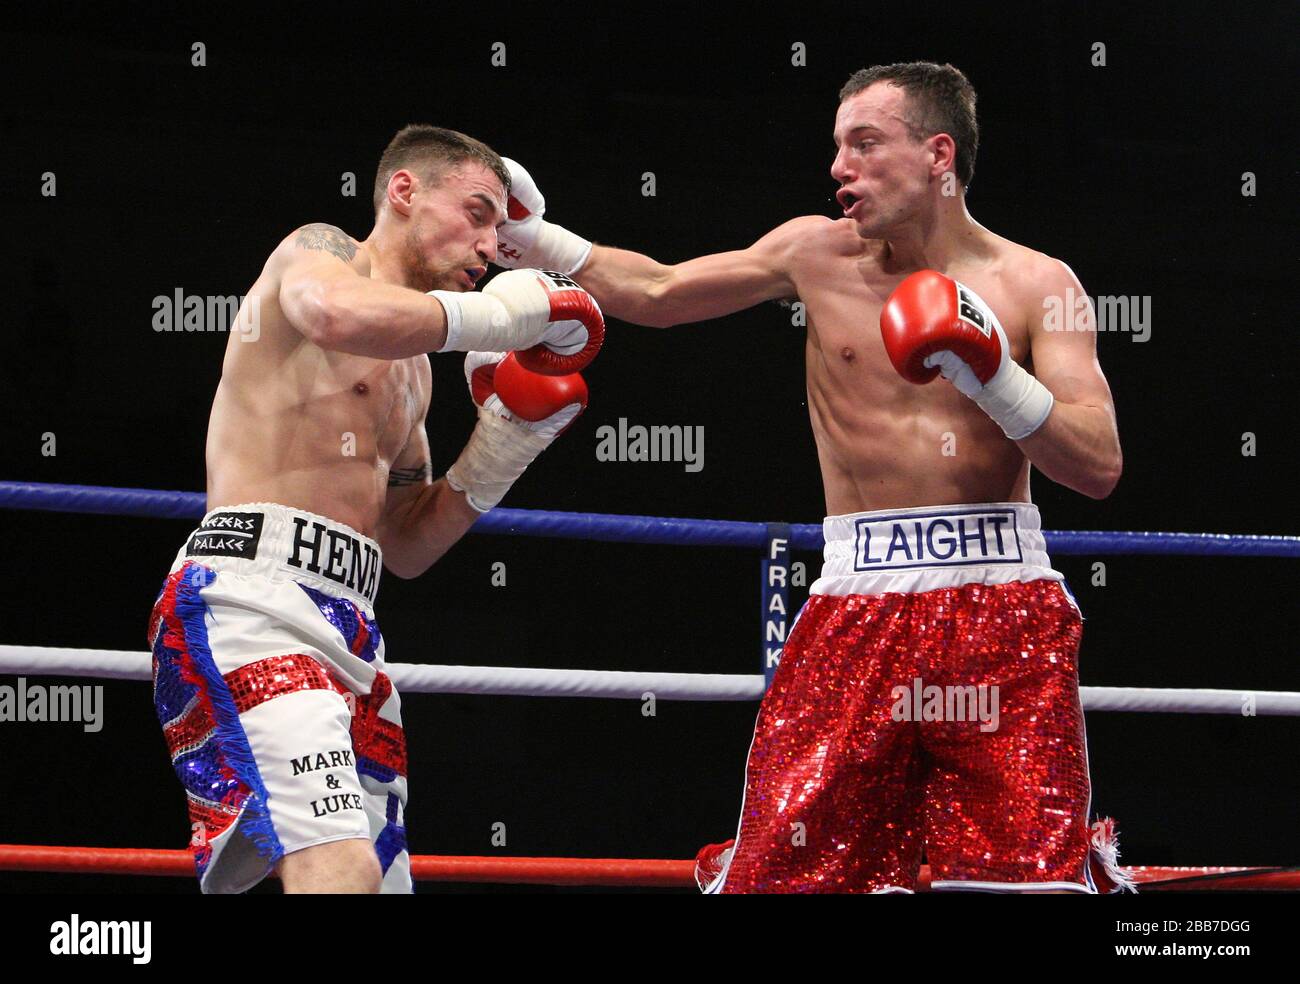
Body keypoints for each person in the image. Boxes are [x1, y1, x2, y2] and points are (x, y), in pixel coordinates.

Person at [496, 62, 1124, 892]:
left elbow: (1099, 463)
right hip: (855, 599)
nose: (839, 167)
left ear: (940, 154)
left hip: (998, 600)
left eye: (864, 144)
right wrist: (536, 237)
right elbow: (658, 290)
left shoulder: (1040, 284)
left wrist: (993, 372)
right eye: (837, 147)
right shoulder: (812, 253)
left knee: (1018, 879)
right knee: (795, 874)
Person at [147, 125, 603, 894]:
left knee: (381, 882)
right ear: (403, 192)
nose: (493, 245)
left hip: (354, 622)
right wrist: (504, 322)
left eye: (501, 228)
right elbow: (332, 313)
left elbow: (408, 543)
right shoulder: (318, 251)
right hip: (250, 595)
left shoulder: (415, 372)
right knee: (339, 867)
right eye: (479, 213)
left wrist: (501, 449)